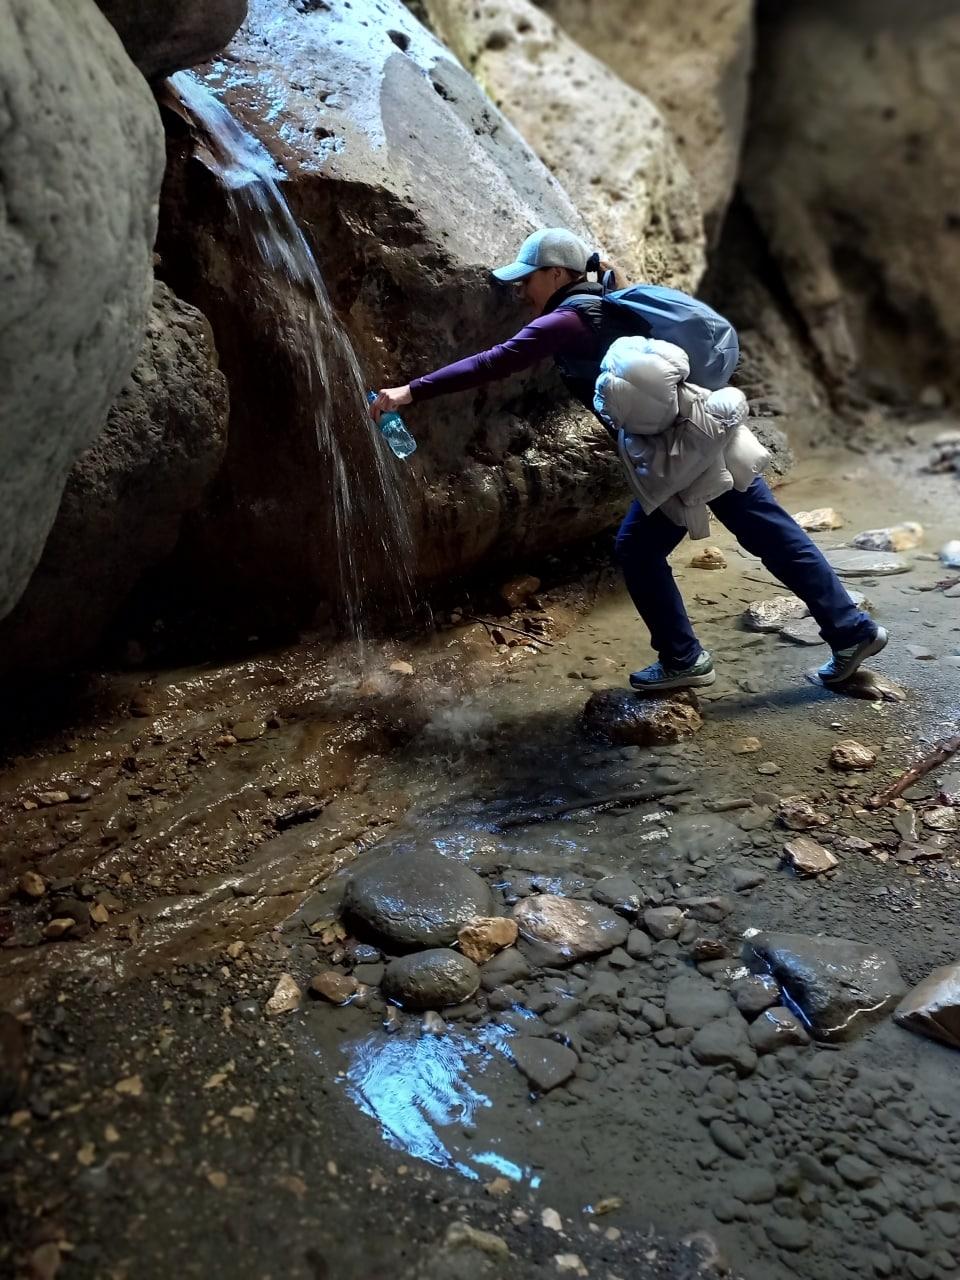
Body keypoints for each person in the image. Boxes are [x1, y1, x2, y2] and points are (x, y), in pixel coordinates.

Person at [369, 227, 888, 693]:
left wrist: (409, 392)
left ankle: (684, 659)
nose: (520, 290)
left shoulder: (567, 321)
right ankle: (851, 629)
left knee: (636, 549)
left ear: (556, 274)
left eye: (527, 279)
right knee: (770, 532)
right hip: (710, 431)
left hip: (682, 455)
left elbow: (494, 361)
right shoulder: (613, 299)